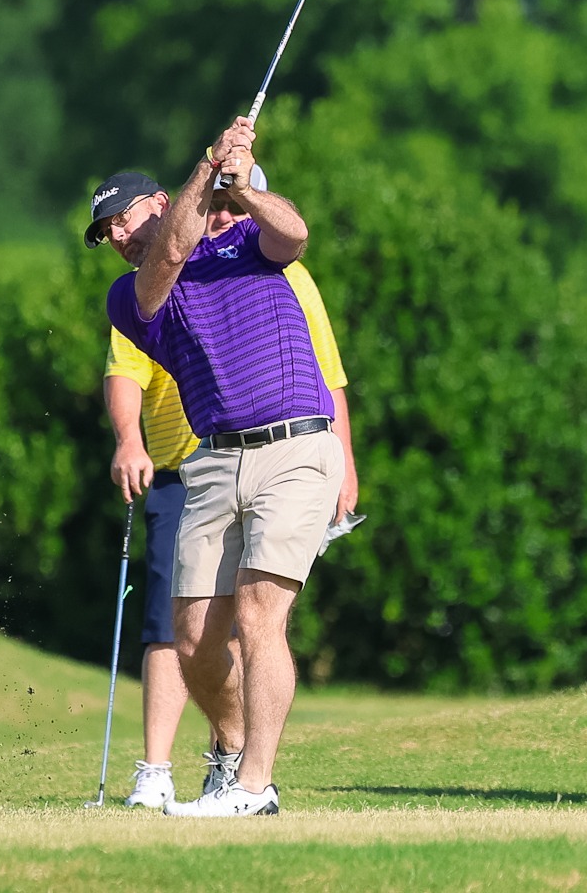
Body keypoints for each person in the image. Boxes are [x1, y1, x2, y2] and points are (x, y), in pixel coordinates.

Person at [90, 165, 360, 810]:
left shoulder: (247, 246)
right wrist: (209, 166)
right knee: (192, 640)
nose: (118, 237)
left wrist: (236, 185)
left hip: (295, 447)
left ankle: (253, 785)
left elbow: (293, 231)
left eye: (123, 219)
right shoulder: (132, 295)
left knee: (261, 616)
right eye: (106, 233)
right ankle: (234, 753)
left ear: (160, 203)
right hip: (212, 461)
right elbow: (172, 253)